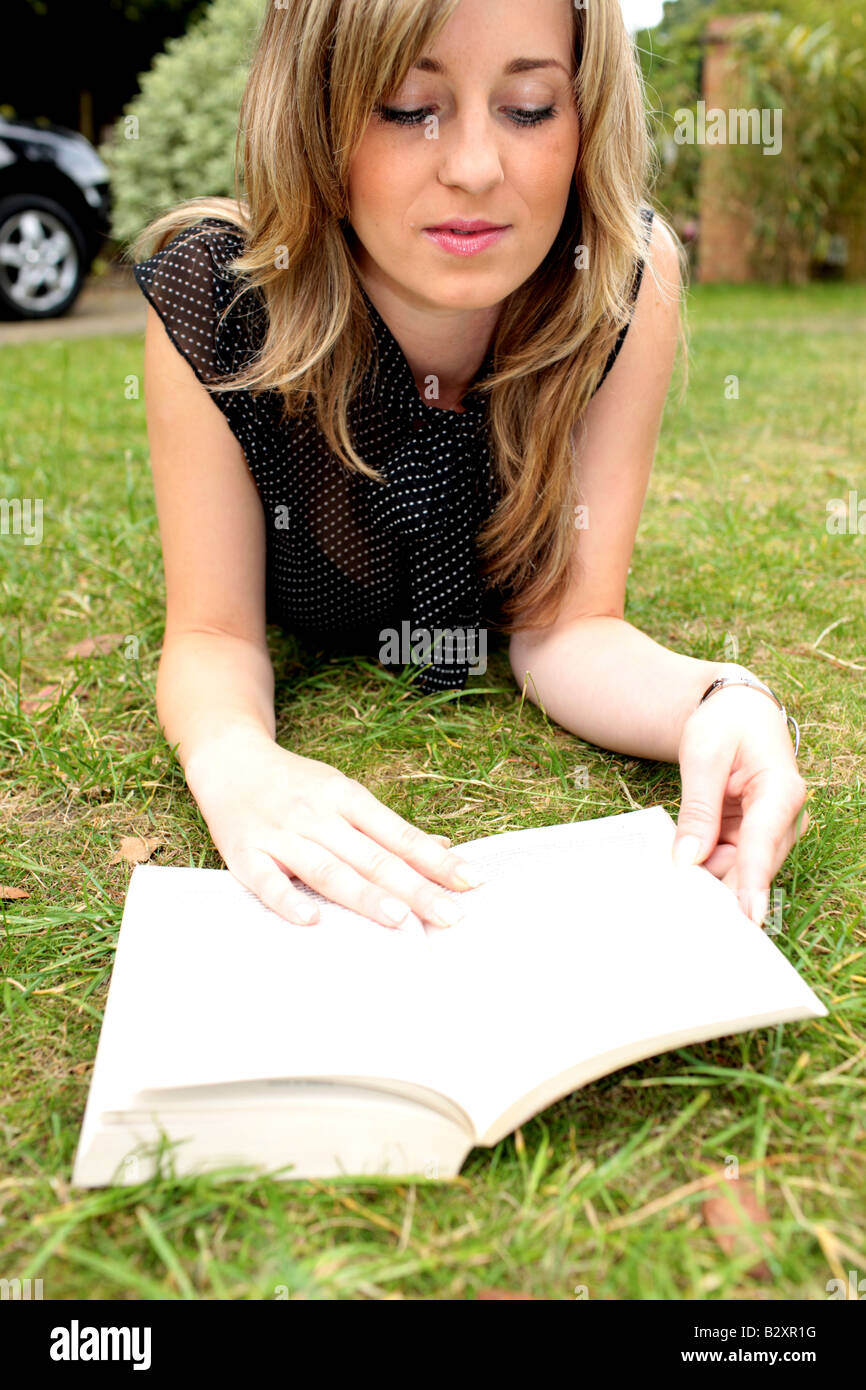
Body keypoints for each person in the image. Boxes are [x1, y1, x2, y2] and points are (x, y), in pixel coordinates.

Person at [130, 0, 808, 934]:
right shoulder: (216, 304)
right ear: (313, 115)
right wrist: (234, 756)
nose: (475, 168)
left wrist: (719, 699)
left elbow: (567, 628)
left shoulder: (622, 279)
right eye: (409, 108)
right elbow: (213, 637)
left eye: (530, 107)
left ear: (587, 116)